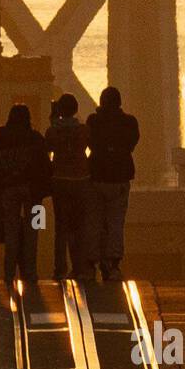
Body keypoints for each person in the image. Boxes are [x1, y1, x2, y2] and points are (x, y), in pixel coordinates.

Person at [0, 104, 51, 283]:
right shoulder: (35, 138)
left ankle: (9, 273)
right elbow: (45, 166)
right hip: (34, 194)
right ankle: (30, 273)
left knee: (11, 233)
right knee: (33, 232)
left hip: (9, 190)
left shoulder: (2, 138)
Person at [86, 86, 140, 281]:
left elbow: (90, 143)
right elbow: (132, 144)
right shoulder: (129, 122)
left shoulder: (93, 121)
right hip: (119, 178)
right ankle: (113, 264)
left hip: (97, 177)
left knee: (95, 221)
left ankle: (91, 263)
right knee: (116, 222)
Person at [46, 93, 92, 279]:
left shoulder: (52, 131)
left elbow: (47, 149)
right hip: (81, 180)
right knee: (78, 226)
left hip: (59, 180)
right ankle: (79, 267)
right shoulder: (83, 130)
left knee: (61, 226)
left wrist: (53, 120)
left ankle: (60, 268)